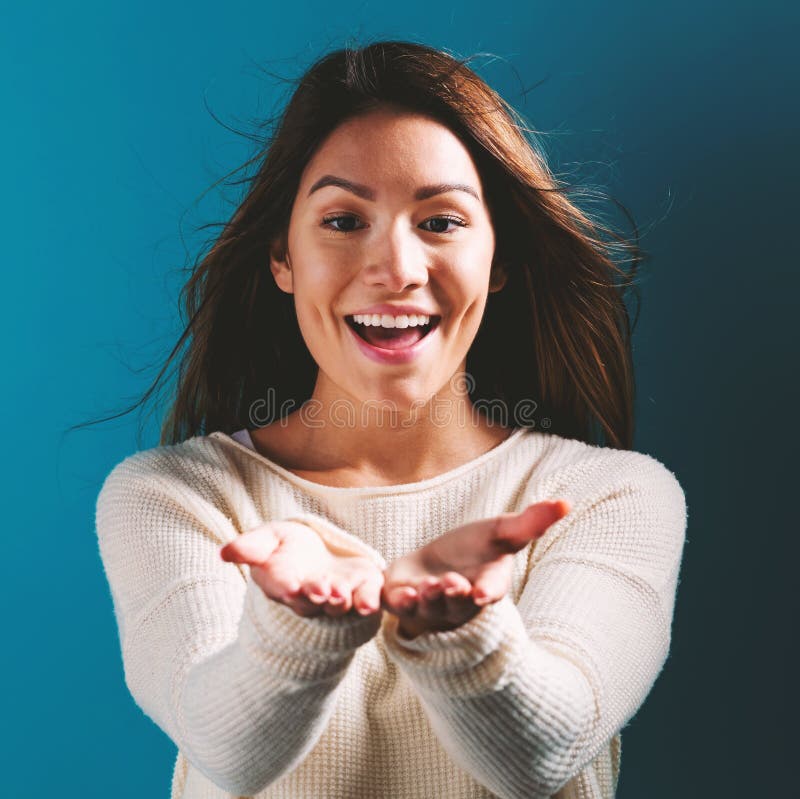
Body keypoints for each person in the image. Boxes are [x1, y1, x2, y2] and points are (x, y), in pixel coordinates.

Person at [94, 40, 688, 799]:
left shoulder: (614, 495)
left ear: (497, 257)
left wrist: (459, 629)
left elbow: (544, 754)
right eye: (343, 221)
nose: (398, 267)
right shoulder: (175, 497)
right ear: (283, 256)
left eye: (441, 222)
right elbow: (228, 748)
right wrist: (299, 628)